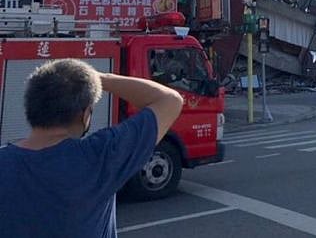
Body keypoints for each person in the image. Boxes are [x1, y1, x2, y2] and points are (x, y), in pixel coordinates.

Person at [0, 59, 183, 238]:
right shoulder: (99, 157)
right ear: (85, 113)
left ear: (29, 106)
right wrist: (97, 77)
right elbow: (170, 100)